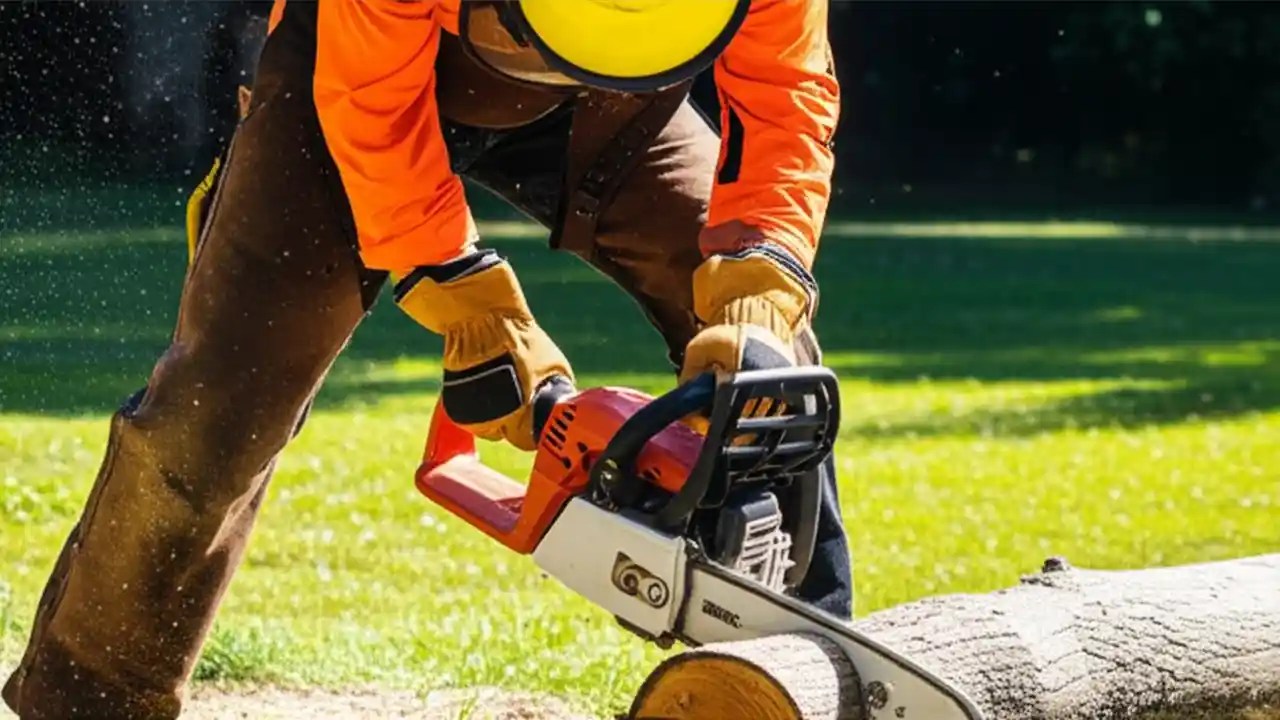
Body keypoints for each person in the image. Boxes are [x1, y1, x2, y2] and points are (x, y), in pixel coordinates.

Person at [1, 1, 849, 718]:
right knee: (220, 402)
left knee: (768, 372)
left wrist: (758, 286)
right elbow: (371, 107)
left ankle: (815, 667)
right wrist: (468, 303)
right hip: (352, 79)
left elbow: (788, 94)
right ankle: (85, 699)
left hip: (620, 103)